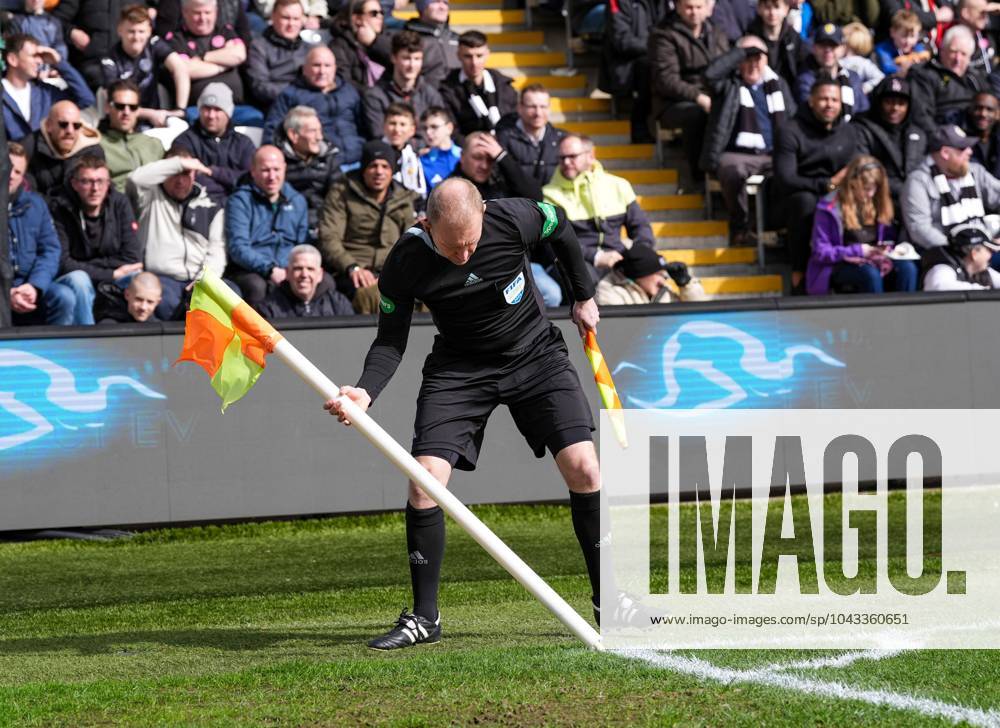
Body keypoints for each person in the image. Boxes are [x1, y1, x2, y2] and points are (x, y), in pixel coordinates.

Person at [323, 178, 606, 650]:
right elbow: (391, 340)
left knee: (584, 467)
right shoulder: (406, 261)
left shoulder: (513, 216)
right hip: (459, 370)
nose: (464, 255)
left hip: (535, 354)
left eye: (472, 243)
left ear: (484, 215)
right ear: (425, 224)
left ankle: (606, 601)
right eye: (453, 247)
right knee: (424, 481)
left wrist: (583, 293)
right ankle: (424, 618)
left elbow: (560, 225)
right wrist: (365, 393)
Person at [701, 37, 796, 246]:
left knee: (791, 173)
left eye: (758, 58)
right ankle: (740, 226)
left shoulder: (777, 85)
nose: (753, 64)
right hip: (739, 154)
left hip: (774, 153)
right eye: (747, 58)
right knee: (731, 169)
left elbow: (793, 118)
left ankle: (777, 229)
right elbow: (708, 76)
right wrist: (740, 52)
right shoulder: (729, 85)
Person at [774, 75, 859, 288]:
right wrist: (827, 184)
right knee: (805, 203)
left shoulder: (849, 131)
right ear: (811, 101)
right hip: (801, 195)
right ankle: (799, 271)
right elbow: (786, 178)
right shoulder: (790, 130)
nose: (829, 105)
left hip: (840, 193)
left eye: (834, 100)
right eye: (823, 99)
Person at [543, 133, 659, 284]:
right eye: (561, 157)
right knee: (585, 279)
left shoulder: (618, 185)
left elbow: (641, 227)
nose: (566, 162)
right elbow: (556, 241)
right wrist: (596, 256)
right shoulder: (549, 194)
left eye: (572, 156)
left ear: (590, 156)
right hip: (580, 260)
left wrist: (638, 253)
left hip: (618, 257)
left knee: (654, 270)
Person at [318, 140, 418, 312]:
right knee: (373, 295)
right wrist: (352, 267)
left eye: (385, 166)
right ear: (363, 169)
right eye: (373, 165)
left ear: (392, 170)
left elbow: (411, 242)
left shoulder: (403, 197)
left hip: (392, 269)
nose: (379, 172)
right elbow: (329, 237)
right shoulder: (341, 192)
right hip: (351, 270)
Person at [128, 147, 226, 320]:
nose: (180, 181)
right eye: (174, 173)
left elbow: (217, 251)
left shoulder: (211, 205)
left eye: (186, 173)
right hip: (162, 278)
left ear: (195, 174)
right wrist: (179, 163)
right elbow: (134, 180)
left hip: (201, 277)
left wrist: (204, 281)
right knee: (168, 304)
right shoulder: (149, 197)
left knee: (232, 295)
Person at [51, 155, 143, 326]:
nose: (95, 188)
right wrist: (110, 274)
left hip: (111, 274)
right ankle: (89, 339)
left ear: (108, 183)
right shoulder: (60, 208)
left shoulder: (120, 203)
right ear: (74, 184)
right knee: (80, 279)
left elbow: (132, 258)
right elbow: (63, 262)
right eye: (87, 182)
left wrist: (93, 267)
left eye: (100, 181)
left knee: (136, 277)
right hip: (77, 278)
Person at [805, 155, 918, 294]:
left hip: (875, 259)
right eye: (866, 188)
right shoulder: (828, 209)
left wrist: (886, 249)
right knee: (869, 275)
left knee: (908, 269)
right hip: (840, 263)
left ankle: (905, 314)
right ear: (852, 183)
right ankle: (876, 315)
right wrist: (858, 251)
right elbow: (820, 252)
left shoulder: (879, 202)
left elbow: (888, 238)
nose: (871, 193)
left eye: (875, 188)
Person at [649, 0, 730, 182]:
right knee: (697, 115)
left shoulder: (716, 32)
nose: (694, 12)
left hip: (713, 95)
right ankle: (699, 177)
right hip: (674, 103)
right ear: (678, 8)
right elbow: (666, 80)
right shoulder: (663, 35)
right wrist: (698, 97)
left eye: (699, 7)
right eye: (689, 7)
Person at [225, 145, 309, 308]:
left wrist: (293, 270)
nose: (272, 176)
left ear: (284, 169)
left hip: (290, 268)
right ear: (253, 171)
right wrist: (270, 270)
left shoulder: (298, 200)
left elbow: (302, 245)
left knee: (325, 283)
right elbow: (238, 247)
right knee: (257, 286)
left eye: (276, 169)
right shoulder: (240, 201)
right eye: (265, 170)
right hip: (250, 270)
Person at [6, 141, 77, 326]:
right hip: (3, 290)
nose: (10, 176)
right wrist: (7, 293)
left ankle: (60, 354)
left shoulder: (36, 205)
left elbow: (50, 250)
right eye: (7, 168)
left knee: (64, 297)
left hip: (30, 285)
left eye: (17, 172)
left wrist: (35, 286)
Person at [901, 123, 1000, 252]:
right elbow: (920, 229)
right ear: (945, 153)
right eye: (963, 148)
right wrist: (962, 249)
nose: (970, 151)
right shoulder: (918, 181)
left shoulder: (975, 171)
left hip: (982, 246)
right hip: (941, 253)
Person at [264, 46, 365, 165]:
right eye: (316, 65)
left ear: (334, 69)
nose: (322, 71)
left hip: (359, 159)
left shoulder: (349, 91)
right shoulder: (290, 95)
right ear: (304, 69)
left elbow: (364, 125)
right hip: (320, 164)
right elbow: (272, 132)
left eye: (327, 66)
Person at [97, 5, 190, 126]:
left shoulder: (154, 43)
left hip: (155, 120)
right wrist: (151, 114)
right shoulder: (109, 59)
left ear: (149, 31)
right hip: (122, 123)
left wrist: (180, 109)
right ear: (120, 30)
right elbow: (115, 101)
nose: (136, 37)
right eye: (131, 31)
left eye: (141, 31)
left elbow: (180, 68)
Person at [1, 33, 95, 140]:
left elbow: (85, 99)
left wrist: (59, 63)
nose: (40, 61)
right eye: (34, 56)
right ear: (13, 59)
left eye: (40, 57)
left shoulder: (46, 93)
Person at [172, 83, 256, 202]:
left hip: (240, 207)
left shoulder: (243, 143)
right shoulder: (185, 141)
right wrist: (230, 183)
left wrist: (214, 172)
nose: (211, 115)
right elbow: (187, 180)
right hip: (199, 207)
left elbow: (252, 178)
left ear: (228, 113)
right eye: (207, 108)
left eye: (217, 109)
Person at [597, 0, 667, 143]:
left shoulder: (664, 3)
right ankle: (639, 126)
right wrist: (658, 47)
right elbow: (622, 40)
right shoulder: (618, 2)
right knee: (648, 67)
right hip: (625, 65)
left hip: (658, 55)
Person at [853, 75, 927, 208]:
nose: (895, 108)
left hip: (915, 201)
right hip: (877, 199)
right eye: (889, 102)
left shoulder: (918, 134)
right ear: (879, 103)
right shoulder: (862, 129)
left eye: (901, 103)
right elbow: (864, 172)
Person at [276, 105, 343, 242]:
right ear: (293, 135)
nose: (319, 137)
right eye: (313, 131)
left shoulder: (329, 158)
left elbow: (337, 199)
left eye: (320, 130)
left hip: (323, 222)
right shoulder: (276, 160)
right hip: (287, 223)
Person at [161, 0, 247, 105]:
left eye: (207, 12)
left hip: (236, 106)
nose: (202, 18)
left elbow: (239, 55)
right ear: (185, 13)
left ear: (215, 12)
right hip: (196, 110)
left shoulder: (225, 31)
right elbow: (184, 70)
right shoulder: (175, 39)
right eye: (197, 13)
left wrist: (203, 58)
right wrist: (223, 65)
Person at [362, 30, 444, 140]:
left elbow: (439, 132)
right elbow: (379, 135)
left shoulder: (431, 95)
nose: (412, 65)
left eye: (417, 59)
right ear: (394, 58)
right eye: (406, 58)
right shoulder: (375, 96)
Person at [909, 25, 989, 133]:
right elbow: (921, 116)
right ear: (942, 50)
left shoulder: (975, 78)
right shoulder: (925, 75)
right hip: (942, 137)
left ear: (970, 57)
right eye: (953, 52)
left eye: (963, 54)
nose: (958, 58)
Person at [439, 31, 517, 139]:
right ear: (458, 56)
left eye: (479, 56)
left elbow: (516, 122)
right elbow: (452, 131)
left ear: (488, 54)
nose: (474, 62)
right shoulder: (447, 89)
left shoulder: (504, 86)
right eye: (468, 56)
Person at [24, 100, 104, 198]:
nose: (70, 131)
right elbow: (28, 197)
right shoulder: (29, 148)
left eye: (76, 125)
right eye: (63, 124)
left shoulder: (93, 152)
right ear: (49, 126)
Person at [495, 83, 567, 187]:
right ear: (520, 108)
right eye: (532, 107)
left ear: (549, 108)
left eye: (543, 107)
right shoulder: (503, 139)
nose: (538, 113)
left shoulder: (562, 139)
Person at [246, 0, 315, 108]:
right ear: (273, 17)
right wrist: (297, 94)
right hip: (272, 106)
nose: (291, 24)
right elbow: (260, 87)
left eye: (296, 19)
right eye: (285, 18)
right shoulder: (259, 47)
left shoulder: (310, 50)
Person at [99, 80, 164, 193]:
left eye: (133, 107)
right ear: (107, 107)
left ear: (138, 110)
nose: (126, 112)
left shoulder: (154, 144)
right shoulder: (97, 145)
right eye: (120, 106)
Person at [793, 24, 869, 120]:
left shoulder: (853, 78)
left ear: (843, 49)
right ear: (814, 48)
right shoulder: (805, 80)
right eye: (823, 45)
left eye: (833, 46)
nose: (828, 51)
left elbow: (863, 111)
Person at [258, 243, 354, 318]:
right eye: (298, 269)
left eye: (310, 269)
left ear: (320, 274)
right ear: (287, 273)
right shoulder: (268, 308)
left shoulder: (339, 304)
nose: (304, 275)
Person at [595, 242, 704, 305]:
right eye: (660, 274)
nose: (664, 280)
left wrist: (687, 285)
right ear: (641, 274)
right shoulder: (609, 289)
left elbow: (699, 315)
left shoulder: (663, 291)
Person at [451, 131, 543, 201]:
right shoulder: (451, 189)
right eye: (477, 157)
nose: (484, 166)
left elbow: (535, 197)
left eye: (490, 159)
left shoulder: (498, 181)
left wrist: (502, 156)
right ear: (462, 157)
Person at [328, 0, 393, 92]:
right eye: (374, 13)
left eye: (381, 13)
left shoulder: (388, 39)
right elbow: (343, 81)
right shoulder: (339, 45)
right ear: (357, 18)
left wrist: (375, 42)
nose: (380, 16)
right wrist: (372, 95)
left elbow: (399, 64)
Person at [746, 0, 809, 89]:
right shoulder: (751, 38)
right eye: (767, 8)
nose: (772, 13)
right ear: (759, 9)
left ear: (786, 9)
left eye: (777, 7)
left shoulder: (794, 38)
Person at [922, 219, 1000, 289]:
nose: (991, 254)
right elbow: (938, 287)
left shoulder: (982, 272)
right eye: (989, 250)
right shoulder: (942, 269)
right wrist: (983, 291)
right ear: (974, 254)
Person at [403, 0, 459, 88]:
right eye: (436, 2)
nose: (442, 7)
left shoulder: (456, 38)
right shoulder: (407, 38)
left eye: (445, 3)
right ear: (422, 7)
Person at [382, 103, 427, 202]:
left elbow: (420, 188)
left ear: (412, 130)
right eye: (392, 123)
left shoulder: (413, 155)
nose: (397, 130)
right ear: (384, 126)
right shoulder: (376, 154)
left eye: (402, 124)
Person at [874, 9, 930, 76]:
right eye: (904, 36)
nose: (908, 41)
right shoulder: (883, 49)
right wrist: (906, 65)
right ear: (892, 32)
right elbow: (887, 67)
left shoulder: (918, 46)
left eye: (912, 36)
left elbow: (925, 57)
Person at [11, 0, 67, 64]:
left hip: (55, 64)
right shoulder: (17, 21)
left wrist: (55, 65)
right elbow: (15, 49)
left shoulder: (54, 22)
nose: (36, 0)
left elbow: (61, 49)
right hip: (29, 64)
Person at [95, 271, 163, 323]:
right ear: (127, 295)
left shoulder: (160, 329)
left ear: (158, 302)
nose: (143, 307)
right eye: (139, 299)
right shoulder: (108, 326)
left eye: (150, 302)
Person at [419, 106, 461, 190]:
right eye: (424, 128)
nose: (428, 132)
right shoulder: (420, 162)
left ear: (449, 128)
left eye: (434, 127)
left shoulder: (464, 157)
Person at [839, 22, 884, 95]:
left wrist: (864, 87)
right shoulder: (864, 62)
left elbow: (880, 77)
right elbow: (880, 77)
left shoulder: (863, 63)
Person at [955, 0, 996, 75]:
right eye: (982, 12)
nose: (986, 16)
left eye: (987, 12)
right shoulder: (953, 42)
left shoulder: (985, 34)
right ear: (966, 13)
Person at [967, 91, 1000, 178]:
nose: (983, 114)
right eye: (978, 108)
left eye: (989, 109)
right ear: (970, 110)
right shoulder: (959, 139)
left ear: (998, 114)